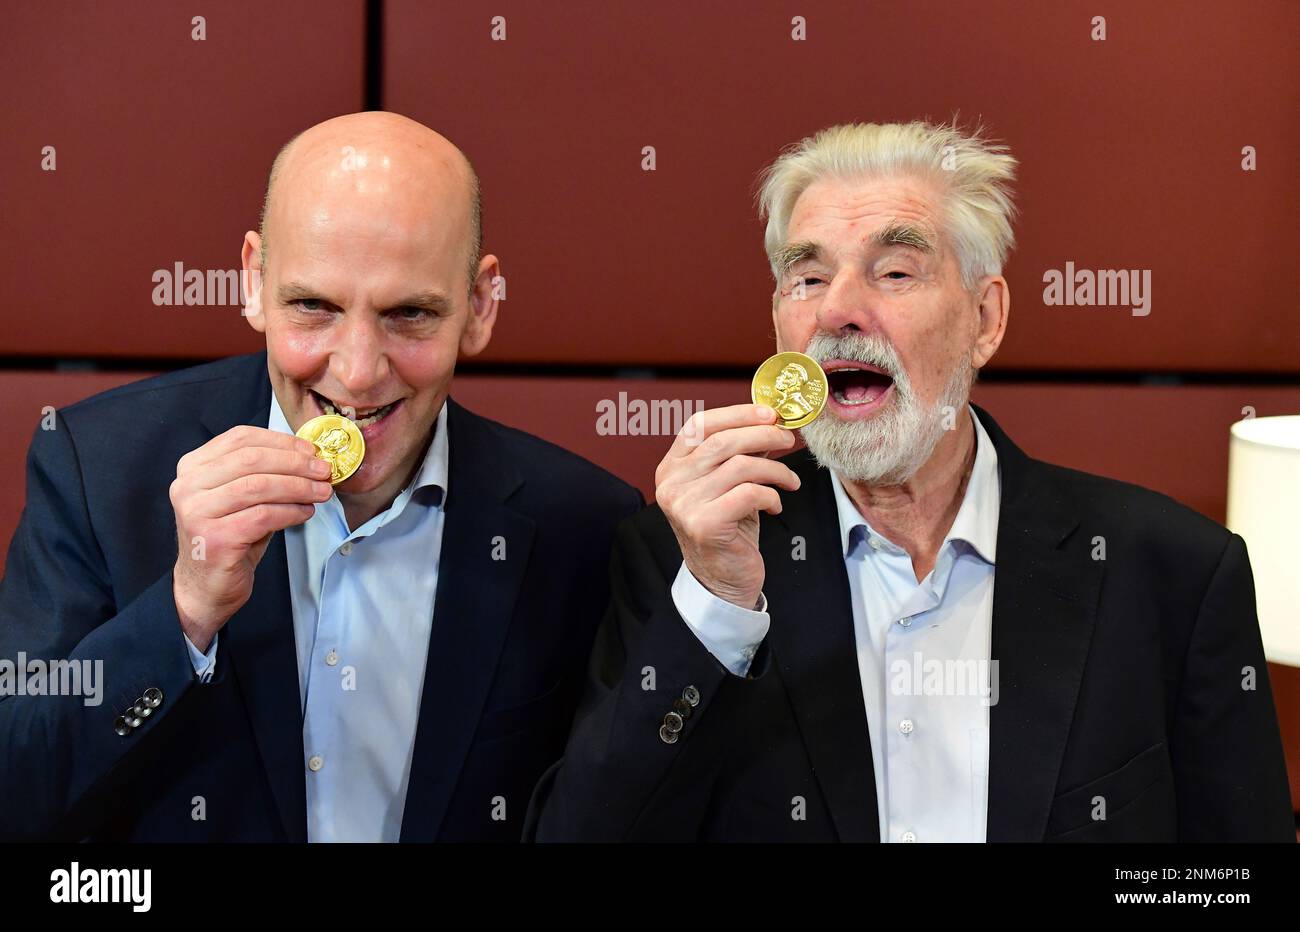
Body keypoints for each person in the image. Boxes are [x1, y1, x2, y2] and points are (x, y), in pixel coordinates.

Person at [528, 120, 1295, 842]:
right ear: (778, 325)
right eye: (807, 278)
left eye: (894, 271)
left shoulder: (1173, 571)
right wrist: (718, 607)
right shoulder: (677, 560)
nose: (838, 310)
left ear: (984, 318)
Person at [0, 111, 641, 842]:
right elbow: (15, 790)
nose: (358, 371)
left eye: (409, 314)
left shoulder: (584, 525)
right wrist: (183, 612)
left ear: (481, 306)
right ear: (252, 281)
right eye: (313, 306)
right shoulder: (98, 467)